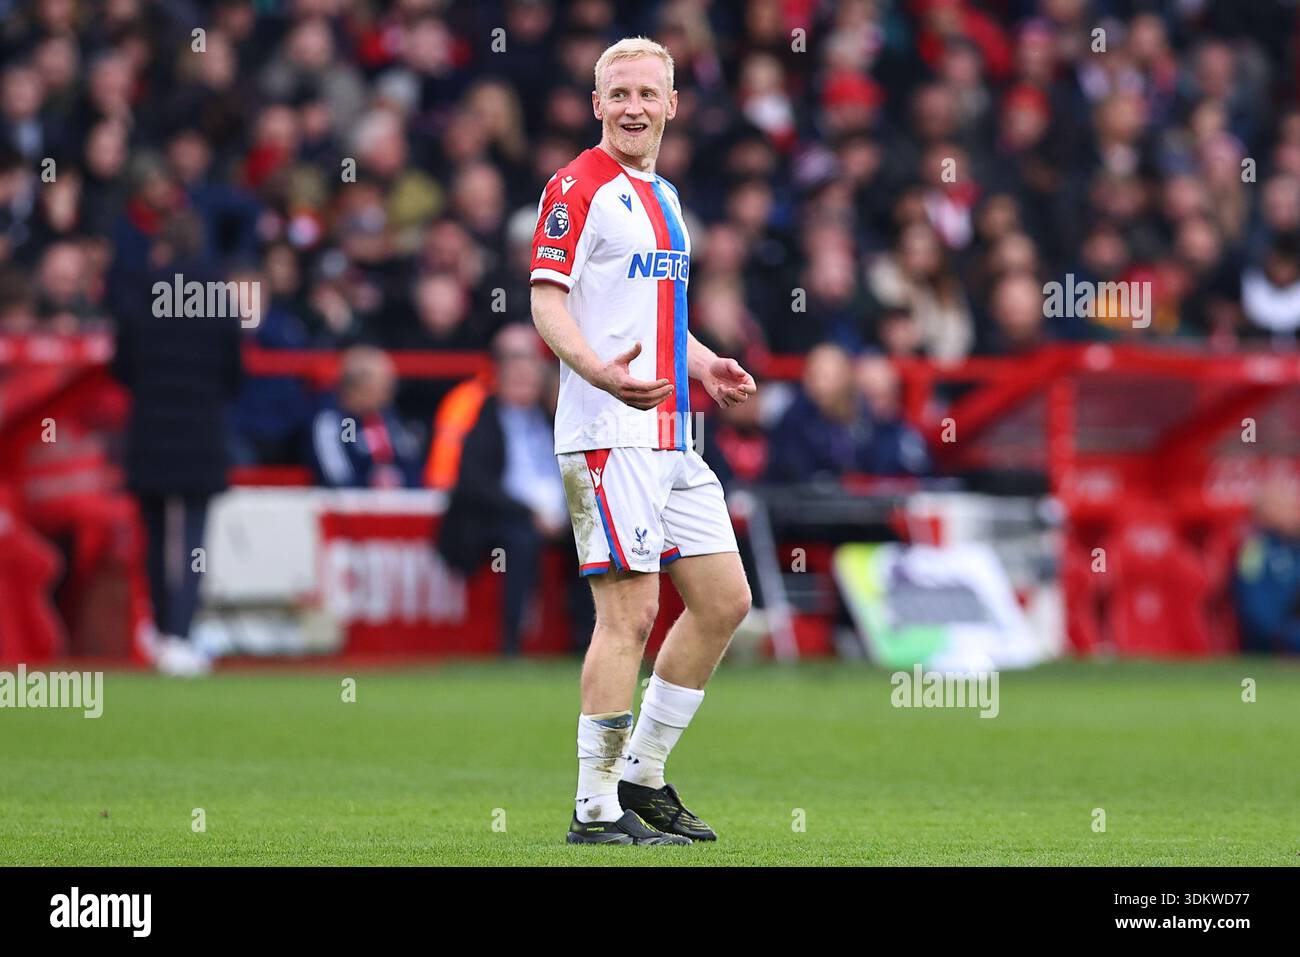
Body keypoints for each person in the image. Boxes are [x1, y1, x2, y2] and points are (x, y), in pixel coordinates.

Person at [529, 37, 756, 846]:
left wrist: (705, 364)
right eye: (617, 93)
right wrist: (597, 369)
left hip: (669, 429)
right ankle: (593, 809)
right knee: (627, 615)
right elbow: (547, 301)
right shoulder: (576, 187)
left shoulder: (663, 195)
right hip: (606, 432)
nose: (632, 107)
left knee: (726, 600)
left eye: (646, 94)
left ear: (670, 104)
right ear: (597, 105)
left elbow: (655, 312)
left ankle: (643, 775)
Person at [108, 212, 242, 677]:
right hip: (201, 430)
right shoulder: (218, 294)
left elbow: (120, 366)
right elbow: (234, 372)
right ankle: (182, 635)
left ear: (161, 246)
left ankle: (162, 631)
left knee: (155, 533)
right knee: (193, 538)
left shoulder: (140, 290)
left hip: (150, 429)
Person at [437, 324, 591, 655]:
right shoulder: (484, 418)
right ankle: (511, 641)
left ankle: (584, 639)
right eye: (516, 378)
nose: (525, 385)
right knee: (520, 541)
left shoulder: (550, 418)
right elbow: (474, 484)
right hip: (501, 518)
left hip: (555, 515)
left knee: (589, 540)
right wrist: (529, 513)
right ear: (500, 380)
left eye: (530, 378)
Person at [309, 346, 422, 489]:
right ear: (357, 388)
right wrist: (371, 483)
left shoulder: (387, 417)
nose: (389, 394)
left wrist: (399, 480)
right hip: (351, 507)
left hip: (396, 505)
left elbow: (409, 463)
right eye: (382, 387)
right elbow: (340, 478)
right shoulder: (343, 422)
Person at [1234, 477, 1300, 654]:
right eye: (1288, 507)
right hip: (1274, 649)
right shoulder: (1255, 550)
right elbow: (1257, 614)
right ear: (1264, 514)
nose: (1296, 512)